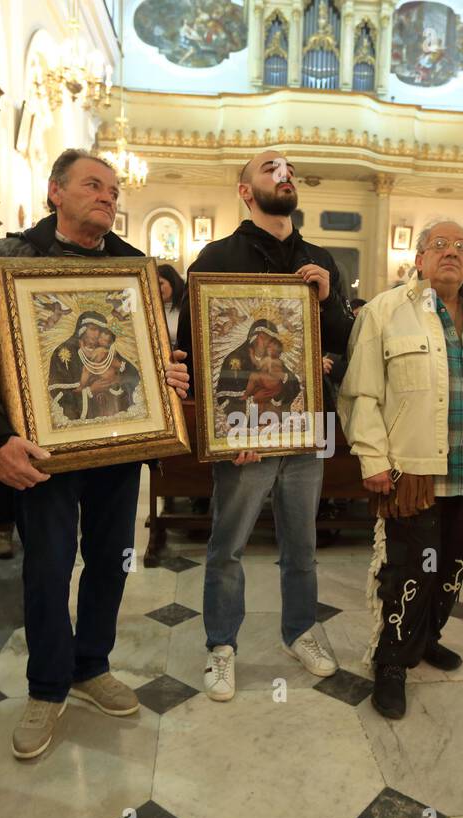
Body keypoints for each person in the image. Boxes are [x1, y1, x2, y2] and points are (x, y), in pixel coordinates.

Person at [0, 148, 190, 759]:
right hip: (42, 449)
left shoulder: (133, 267)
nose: (108, 197)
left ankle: (91, 666)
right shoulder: (11, 259)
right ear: (55, 192)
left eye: (114, 190)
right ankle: (47, 686)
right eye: (94, 185)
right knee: (49, 567)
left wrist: (169, 381)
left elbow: (146, 361)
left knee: (112, 561)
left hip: (117, 445)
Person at [175, 149, 351, 702]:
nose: (285, 174)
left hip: (306, 428)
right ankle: (221, 645)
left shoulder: (321, 259)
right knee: (228, 544)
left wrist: (327, 305)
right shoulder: (216, 257)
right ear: (245, 190)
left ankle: (300, 631)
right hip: (244, 433)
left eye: (291, 170)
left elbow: (345, 347)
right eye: (270, 169)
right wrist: (227, 432)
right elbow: (196, 355)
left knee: (302, 541)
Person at [340, 220, 463, 718]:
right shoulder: (386, 311)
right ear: (418, 258)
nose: (451, 254)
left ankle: (425, 638)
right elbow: (361, 393)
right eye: (440, 246)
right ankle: (392, 661)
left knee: (454, 565)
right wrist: (372, 458)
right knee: (410, 567)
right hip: (412, 470)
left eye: (461, 247)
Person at [157, 263, 185, 341]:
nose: (155, 287)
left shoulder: (186, 309)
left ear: (173, 282)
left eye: (160, 283)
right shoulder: (149, 310)